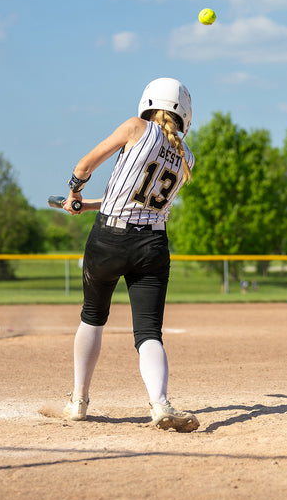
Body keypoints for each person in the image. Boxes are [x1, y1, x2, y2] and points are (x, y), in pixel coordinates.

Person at [60, 77, 199, 433]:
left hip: (109, 238)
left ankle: (78, 401)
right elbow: (142, 202)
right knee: (149, 332)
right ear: (184, 114)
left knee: (93, 317)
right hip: (152, 245)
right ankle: (160, 403)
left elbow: (84, 165)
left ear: (148, 102)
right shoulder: (188, 157)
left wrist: (75, 190)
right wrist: (86, 205)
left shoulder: (136, 127)